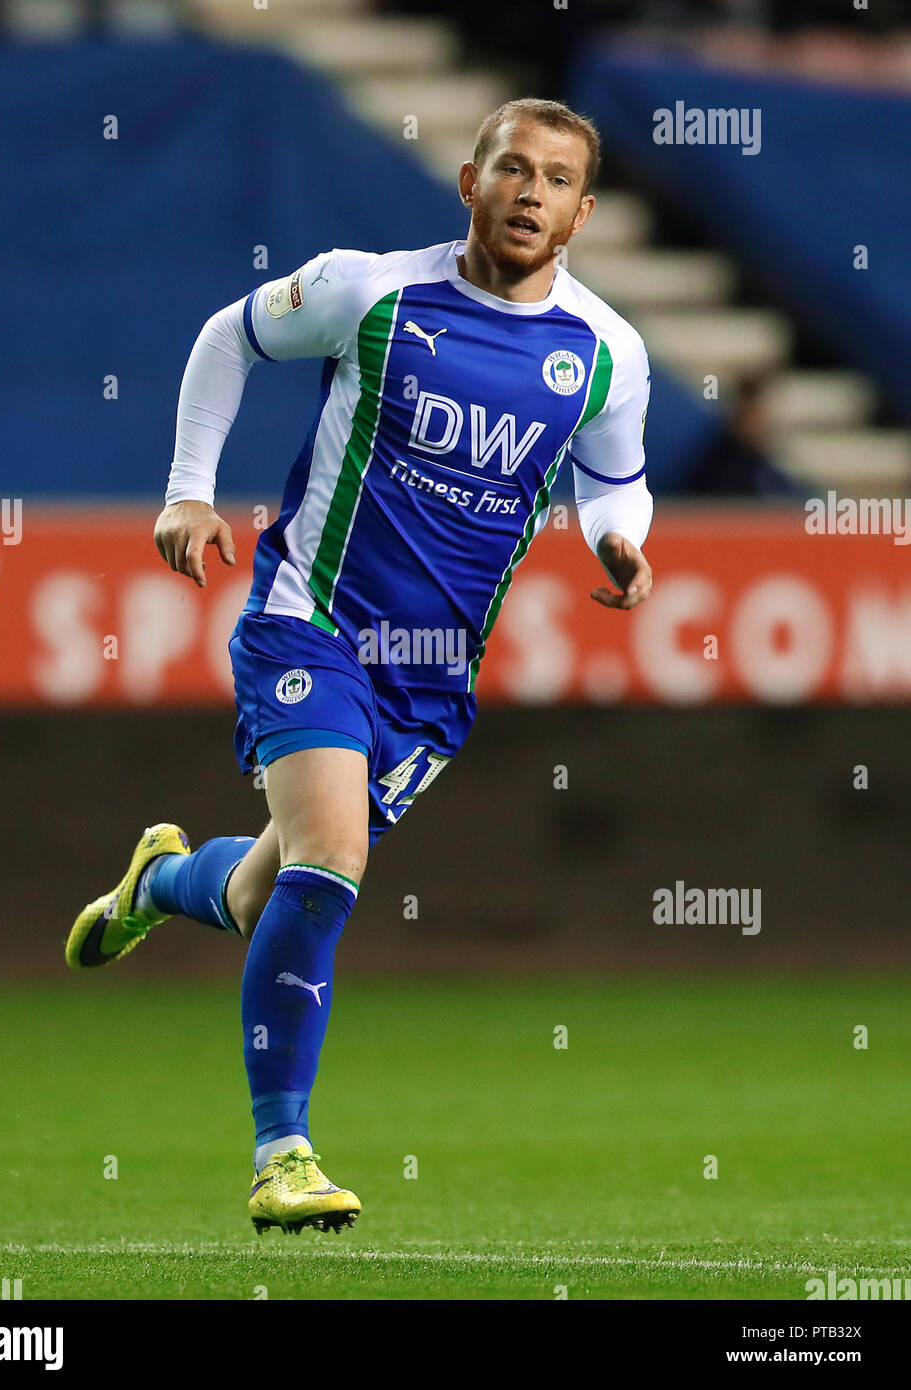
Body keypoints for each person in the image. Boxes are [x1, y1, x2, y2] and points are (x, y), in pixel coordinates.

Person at [66, 98, 655, 1235]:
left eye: (556, 180)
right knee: (332, 856)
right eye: (511, 169)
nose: (530, 192)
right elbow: (226, 334)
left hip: (430, 676)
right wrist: (190, 485)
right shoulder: (368, 290)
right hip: (311, 621)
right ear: (469, 184)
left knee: (266, 890)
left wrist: (621, 542)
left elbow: (614, 479)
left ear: (584, 211)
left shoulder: (606, 354)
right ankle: (280, 1151)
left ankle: (157, 882)